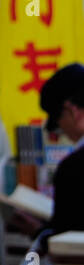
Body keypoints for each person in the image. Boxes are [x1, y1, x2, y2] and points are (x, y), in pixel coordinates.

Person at [39, 63, 84, 235]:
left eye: (58, 120)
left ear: (72, 111)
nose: (61, 129)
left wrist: (39, 232)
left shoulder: (73, 168)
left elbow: (64, 241)